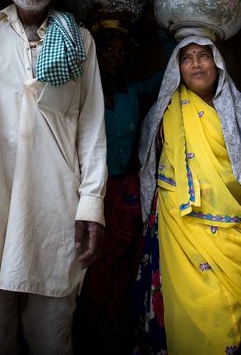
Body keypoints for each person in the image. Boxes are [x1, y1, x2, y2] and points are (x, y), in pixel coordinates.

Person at [0, 0, 108, 355]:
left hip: (56, 209)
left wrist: (92, 205)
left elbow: (91, 126)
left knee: (51, 339)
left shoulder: (79, 41)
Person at [134, 34, 241, 354]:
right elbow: (147, 163)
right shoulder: (166, 112)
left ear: (217, 63)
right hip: (182, 231)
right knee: (188, 313)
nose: (196, 64)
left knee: (227, 316)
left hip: (234, 236)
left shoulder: (239, 108)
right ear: (178, 68)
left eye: (204, 55)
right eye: (187, 58)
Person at [73, 20, 174, 354]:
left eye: (121, 52)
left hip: (128, 197)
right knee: (93, 271)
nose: (115, 57)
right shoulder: (79, 92)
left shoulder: (135, 91)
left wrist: (162, 31)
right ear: (94, 52)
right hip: (91, 196)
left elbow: (172, 73)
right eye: (108, 49)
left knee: (126, 271)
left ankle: (122, 341)